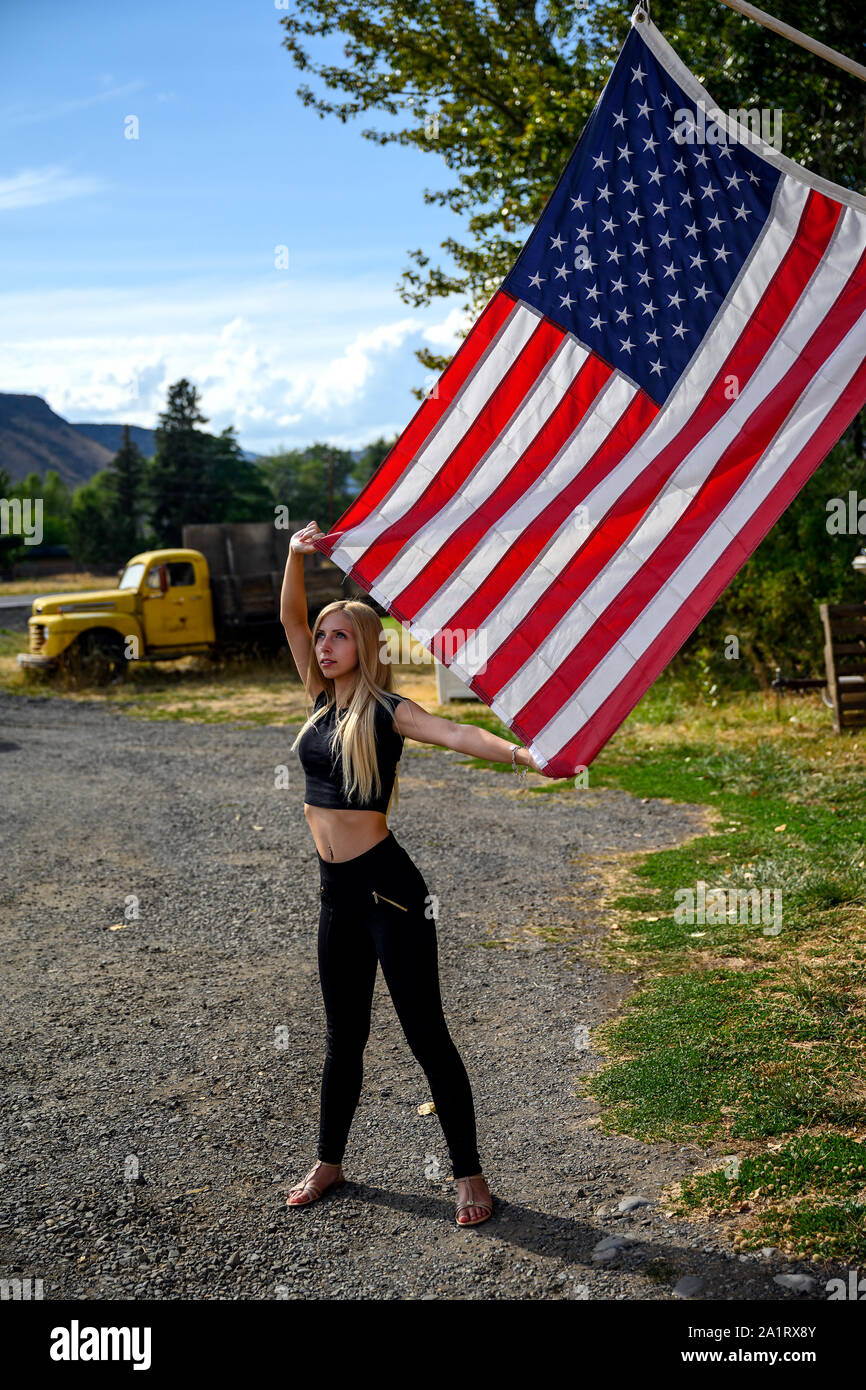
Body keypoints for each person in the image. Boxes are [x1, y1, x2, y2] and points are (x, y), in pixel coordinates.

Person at [280, 520, 544, 1227]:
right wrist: (295, 555)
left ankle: (469, 1176)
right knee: (344, 1038)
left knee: (426, 1035)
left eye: (340, 636)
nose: (325, 645)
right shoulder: (317, 698)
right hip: (335, 896)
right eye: (324, 636)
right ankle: (329, 1161)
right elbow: (290, 617)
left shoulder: (390, 712)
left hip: (391, 893)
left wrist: (525, 756)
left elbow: (459, 734)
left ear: (363, 646)